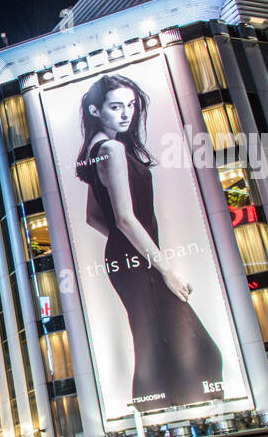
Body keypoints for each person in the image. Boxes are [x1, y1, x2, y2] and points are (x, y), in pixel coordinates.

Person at [74, 74, 224, 408]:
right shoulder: (111, 149)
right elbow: (124, 218)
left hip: (129, 258)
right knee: (176, 349)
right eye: (116, 106)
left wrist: (123, 243)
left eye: (130, 105)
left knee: (159, 346)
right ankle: (161, 423)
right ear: (96, 110)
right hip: (139, 261)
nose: (126, 113)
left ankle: (158, 421)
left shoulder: (100, 149)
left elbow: (95, 217)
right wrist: (165, 268)